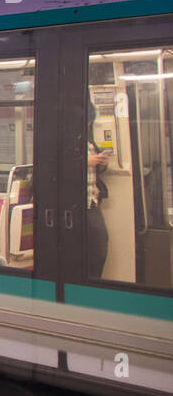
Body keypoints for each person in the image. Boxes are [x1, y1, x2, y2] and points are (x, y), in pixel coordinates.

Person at [86, 101, 110, 281]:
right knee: (94, 248)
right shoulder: (62, 140)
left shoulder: (88, 141)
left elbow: (93, 170)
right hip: (77, 204)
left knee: (100, 245)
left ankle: (92, 283)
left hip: (92, 200)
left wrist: (101, 164)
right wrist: (85, 162)